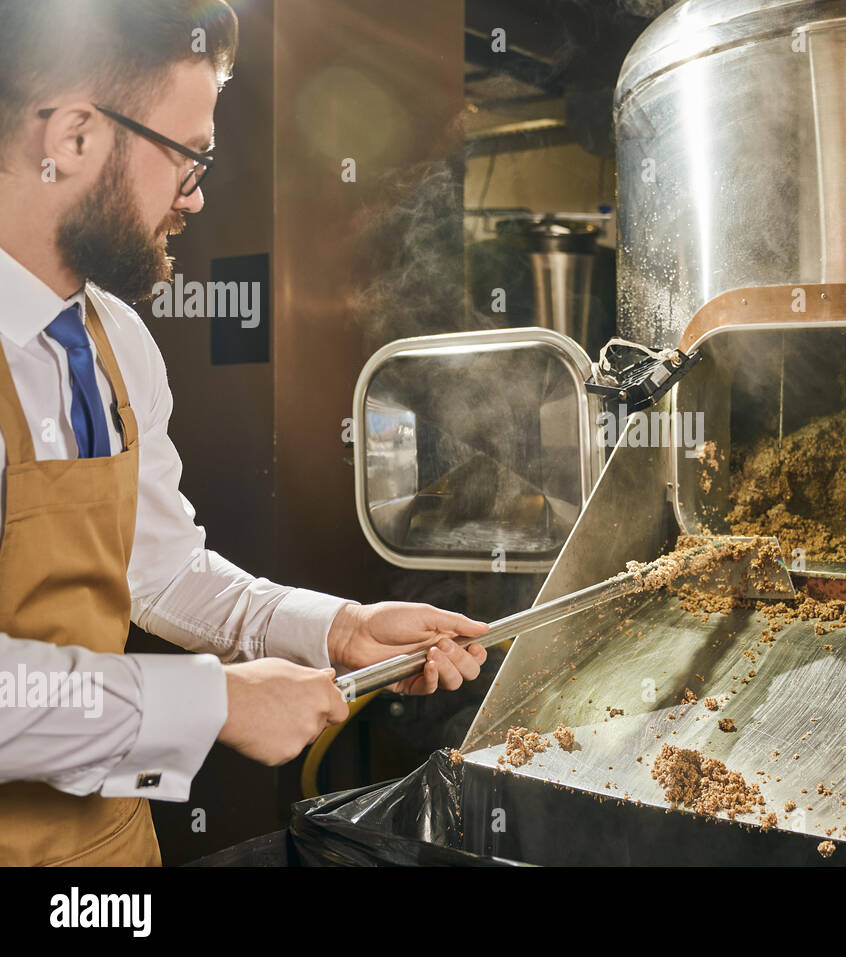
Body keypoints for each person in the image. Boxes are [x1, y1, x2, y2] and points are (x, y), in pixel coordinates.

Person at [0, 0, 488, 866]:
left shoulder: (115, 341)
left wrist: (338, 628)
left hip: (109, 850)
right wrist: (212, 704)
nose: (195, 197)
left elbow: (159, 570)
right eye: (189, 157)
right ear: (73, 137)